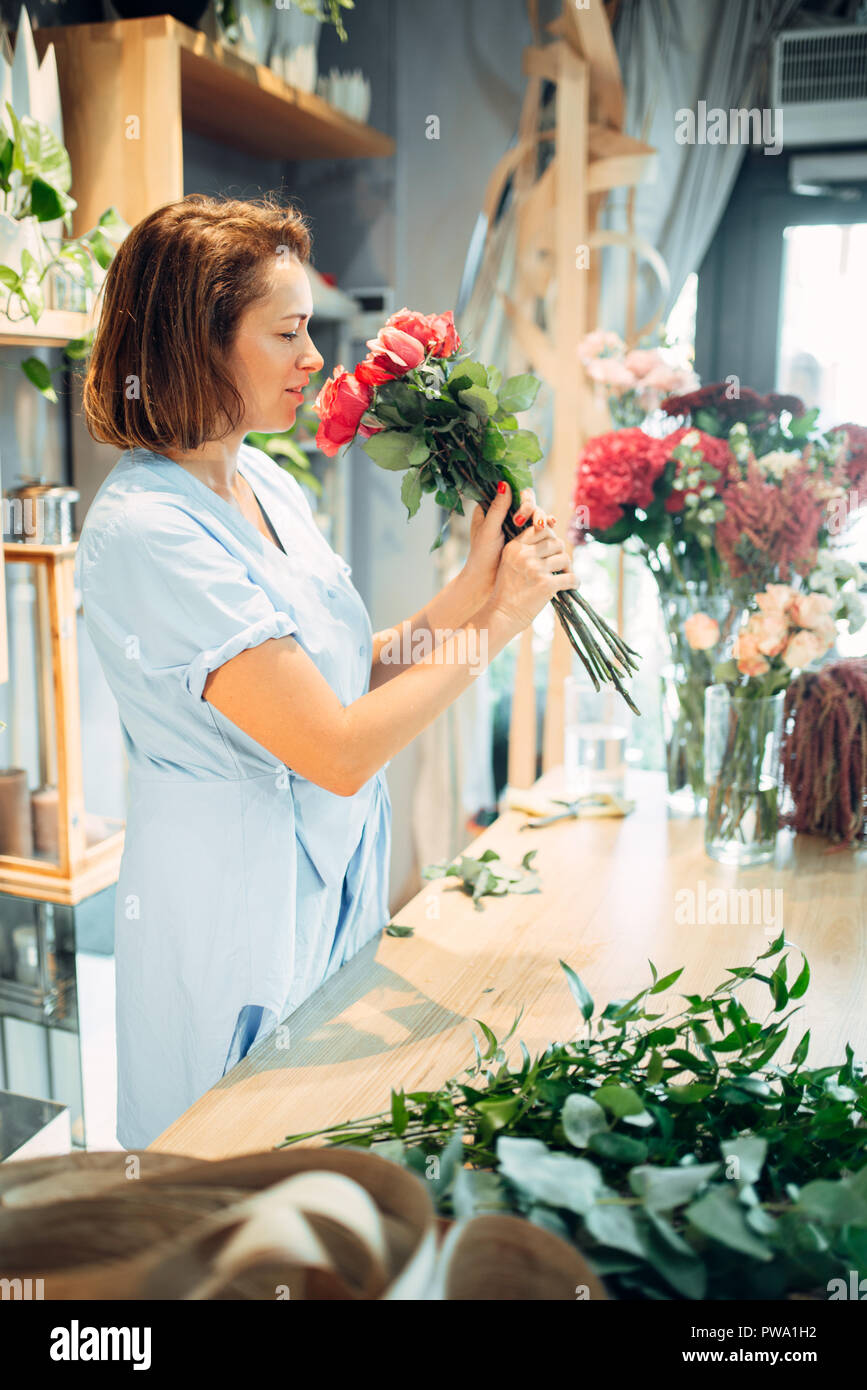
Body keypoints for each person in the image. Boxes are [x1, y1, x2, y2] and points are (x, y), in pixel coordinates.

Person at [75, 193, 578, 1149]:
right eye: (288, 332)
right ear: (197, 342)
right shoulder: (148, 532)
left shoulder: (259, 478)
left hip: (322, 883)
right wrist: (502, 622)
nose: (316, 358)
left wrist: (472, 590)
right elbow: (337, 749)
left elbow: (351, 672)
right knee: (234, 1198)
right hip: (231, 905)